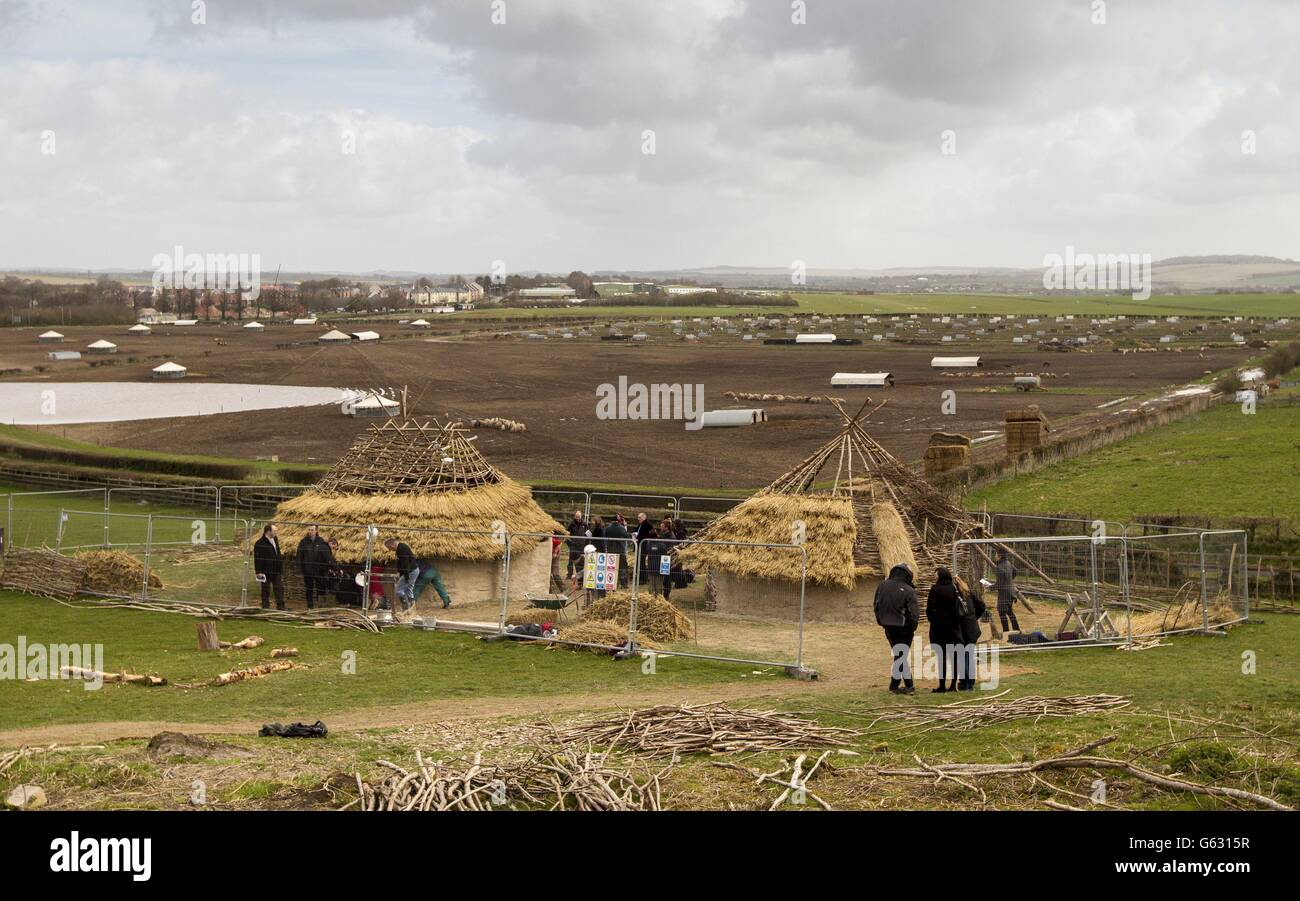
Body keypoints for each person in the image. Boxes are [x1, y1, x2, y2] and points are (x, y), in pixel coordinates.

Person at [873, 562, 919, 694]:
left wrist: (881, 621)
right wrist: (913, 627)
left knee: (899, 655)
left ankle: (894, 685)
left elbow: (876, 605)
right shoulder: (909, 590)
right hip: (904, 627)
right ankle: (909, 686)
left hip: (888, 626)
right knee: (901, 656)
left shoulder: (882, 586)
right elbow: (914, 613)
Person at [926, 568, 963, 693]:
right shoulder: (954, 589)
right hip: (953, 627)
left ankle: (942, 685)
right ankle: (953, 685)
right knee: (954, 657)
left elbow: (930, 609)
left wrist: (934, 620)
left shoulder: (935, 589)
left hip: (939, 628)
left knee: (941, 657)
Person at [955, 576, 987, 691]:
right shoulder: (969, 594)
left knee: (964, 657)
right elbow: (982, 606)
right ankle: (968, 682)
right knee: (969, 656)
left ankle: (966, 683)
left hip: (963, 630)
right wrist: (974, 617)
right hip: (972, 629)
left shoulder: (956, 596)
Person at [296, 524, 331, 610]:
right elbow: (299, 556)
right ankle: (310, 606)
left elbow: (326, 556)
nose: (310, 531)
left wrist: (325, 568)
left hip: (319, 571)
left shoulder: (321, 541)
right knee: (309, 589)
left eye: (312, 530)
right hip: (308, 570)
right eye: (309, 530)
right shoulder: (303, 542)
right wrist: (300, 569)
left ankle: (320, 606)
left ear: (316, 531)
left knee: (320, 588)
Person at [253, 524, 285, 610]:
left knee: (279, 588)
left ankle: (281, 607)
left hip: (276, 570)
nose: (276, 533)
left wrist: (280, 567)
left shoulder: (275, 539)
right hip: (265, 571)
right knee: (265, 590)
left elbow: (277, 553)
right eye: (274, 531)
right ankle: (265, 607)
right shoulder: (259, 543)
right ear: (268, 531)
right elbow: (257, 559)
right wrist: (258, 572)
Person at [384, 537, 419, 611]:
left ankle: (406, 607)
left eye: (389, 548)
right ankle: (412, 607)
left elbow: (405, 563)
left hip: (411, 571)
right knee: (409, 589)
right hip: (414, 570)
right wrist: (399, 572)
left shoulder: (401, 549)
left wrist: (406, 576)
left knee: (398, 590)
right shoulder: (401, 547)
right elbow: (401, 563)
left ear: (392, 545)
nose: (390, 550)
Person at [994, 548, 1021, 633]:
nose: (995, 556)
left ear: (999, 556)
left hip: (1004, 594)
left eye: (996, 554)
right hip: (1010, 592)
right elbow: (1015, 571)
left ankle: (1006, 633)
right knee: (1010, 612)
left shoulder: (999, 567)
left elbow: (999, 584)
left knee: (1002, 614)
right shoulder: (1008, 563)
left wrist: (989, 587)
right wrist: (1009, 580)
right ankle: (1017, 630)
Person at [603, 514, 631, 588]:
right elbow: (626, 536)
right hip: (620, 550)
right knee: (623, 567)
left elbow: (604, 536)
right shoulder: (621, 528)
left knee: (611, 568)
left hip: (611, 550)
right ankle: (623, 584)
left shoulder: (608, 528)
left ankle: (611, 583)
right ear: (617, 520)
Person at [565, 510, 587, 579]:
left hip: (581, 546)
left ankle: (580, 576)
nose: (578, 518)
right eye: (576, 517)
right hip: (573, 546)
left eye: (579, 516)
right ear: (574, 516)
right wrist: (570, 543)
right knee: (571, 560)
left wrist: (586, 542)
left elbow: (588, 534)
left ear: (581, 516)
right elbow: (566, 534)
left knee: (580, 562)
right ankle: (569, 574)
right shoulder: (571, 524)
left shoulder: (585, 524)